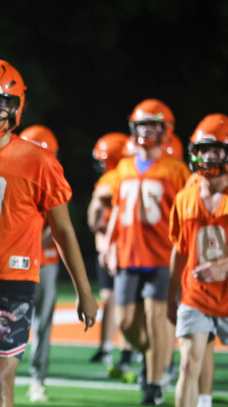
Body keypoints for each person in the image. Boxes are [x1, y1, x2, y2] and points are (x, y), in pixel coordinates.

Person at [0, 59, 98, 407]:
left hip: (12, 282)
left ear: (16, 106)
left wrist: (84, 291)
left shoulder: (38, 161)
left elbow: (63, 231)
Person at [102, 99, 190, 405]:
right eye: (142, 125)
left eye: (153, 125)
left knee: (155, 318)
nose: (147, 131)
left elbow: (187, 213)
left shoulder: (176, 169)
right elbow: (117, 208)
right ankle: (154, 357)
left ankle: (154, 382)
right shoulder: (124, 166)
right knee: (126, 322)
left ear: (166, 129)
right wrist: (109, 244)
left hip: (162, 254)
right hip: (129, 253)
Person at [168, 114, 228, 407]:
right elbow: (179, 250)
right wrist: (170, 294)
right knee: (189, 365)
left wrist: (222, 267)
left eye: (215, 150)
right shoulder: (184, 198)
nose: (207, 157)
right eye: (203, 150)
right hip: (195, 295)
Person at [19, 124, 64, 402]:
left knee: (42, 322)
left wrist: (28, 241)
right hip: (15, 261)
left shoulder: (52, 180)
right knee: (4, 319)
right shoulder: (12, 175)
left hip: (43, 259)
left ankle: (37, 378)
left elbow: (58, 226)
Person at [88, 132, 135, 377]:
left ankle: (114, 349)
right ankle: (125, 352)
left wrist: (103, 242)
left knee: (118, 301)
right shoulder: (129, 174)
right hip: (128, 248)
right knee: (124, 302)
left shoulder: (117, 177)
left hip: (120, 248)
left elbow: (94, 214)